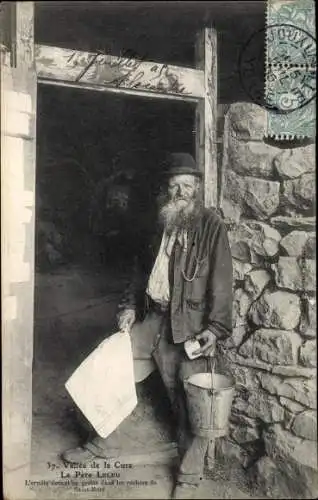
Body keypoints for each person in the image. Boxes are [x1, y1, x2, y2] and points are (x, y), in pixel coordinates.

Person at [62, 152, 233, 499]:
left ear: (197, 188)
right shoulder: (158, 223)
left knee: (191, 400)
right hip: (150, 317)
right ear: (165, 189)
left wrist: (214, 330)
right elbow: (138, 273)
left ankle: (188, 477)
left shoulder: (210, 225)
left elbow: (222, 282)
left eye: (186, 186)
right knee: (109, 373)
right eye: (173, 186)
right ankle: (99, 445)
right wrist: (128, 307)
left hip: (188, 326)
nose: (179, 192)